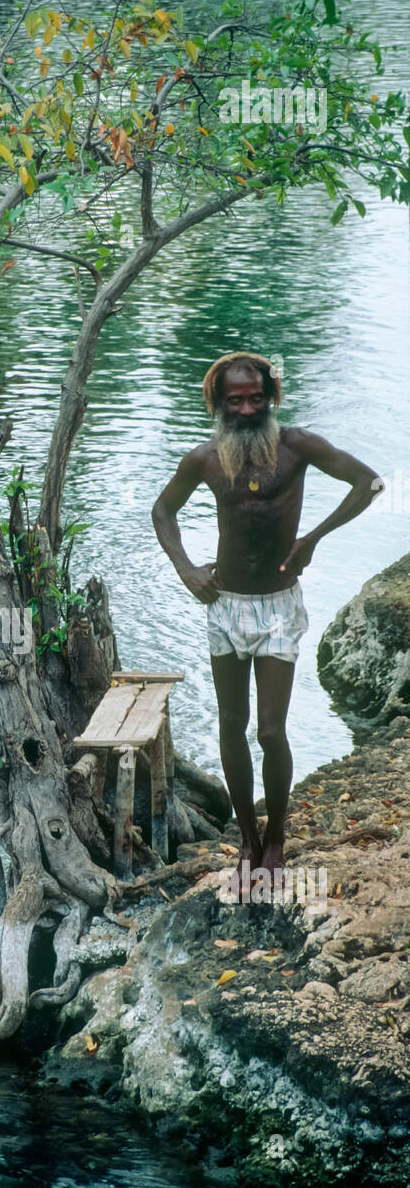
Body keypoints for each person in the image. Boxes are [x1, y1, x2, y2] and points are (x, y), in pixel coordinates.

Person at [151, 351, 380, 875]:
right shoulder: (203, 459)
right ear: (219, 404)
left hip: (278, 606)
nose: (249, 408)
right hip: (224, 605)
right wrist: (187, 569)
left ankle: (277, 834)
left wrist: (314, 538)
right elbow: (163, 511)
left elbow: (368, 483)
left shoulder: (297, 446)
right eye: (237, 400)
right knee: (232, 726)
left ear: (271, 397)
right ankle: (249, 842)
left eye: (257, 397)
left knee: (271, 732)